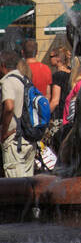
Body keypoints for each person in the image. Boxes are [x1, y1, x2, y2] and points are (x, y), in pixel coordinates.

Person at [0, 47, 35, 178]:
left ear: (3, 66)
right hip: (29, 139)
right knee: (28, 185)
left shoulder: (8, 81)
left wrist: (3, 133)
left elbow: (9, 107)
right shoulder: (25, 80)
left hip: (14, 141)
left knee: (15, 187)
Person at [49, 45, 72, 117]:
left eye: (51, 57)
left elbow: (55, 101)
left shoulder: (57, 76)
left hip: (60, 114)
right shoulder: (72, 73)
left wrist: (44, 116)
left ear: (58, 58)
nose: (49, 59)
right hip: (70, 113)